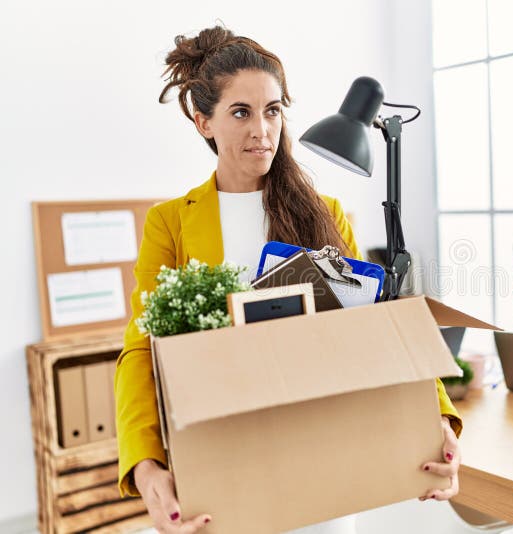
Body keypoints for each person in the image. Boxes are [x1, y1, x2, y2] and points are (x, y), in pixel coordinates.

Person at [115, 26, 462, 533]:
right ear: (202, 122)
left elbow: (375, 322)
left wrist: (437, 418)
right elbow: (141, 349)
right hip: (224, 456)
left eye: (273, 110)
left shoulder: (325, 213)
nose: (262, 130)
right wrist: (146, 467)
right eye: (241, 112)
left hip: (323, 451)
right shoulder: (171, 222)